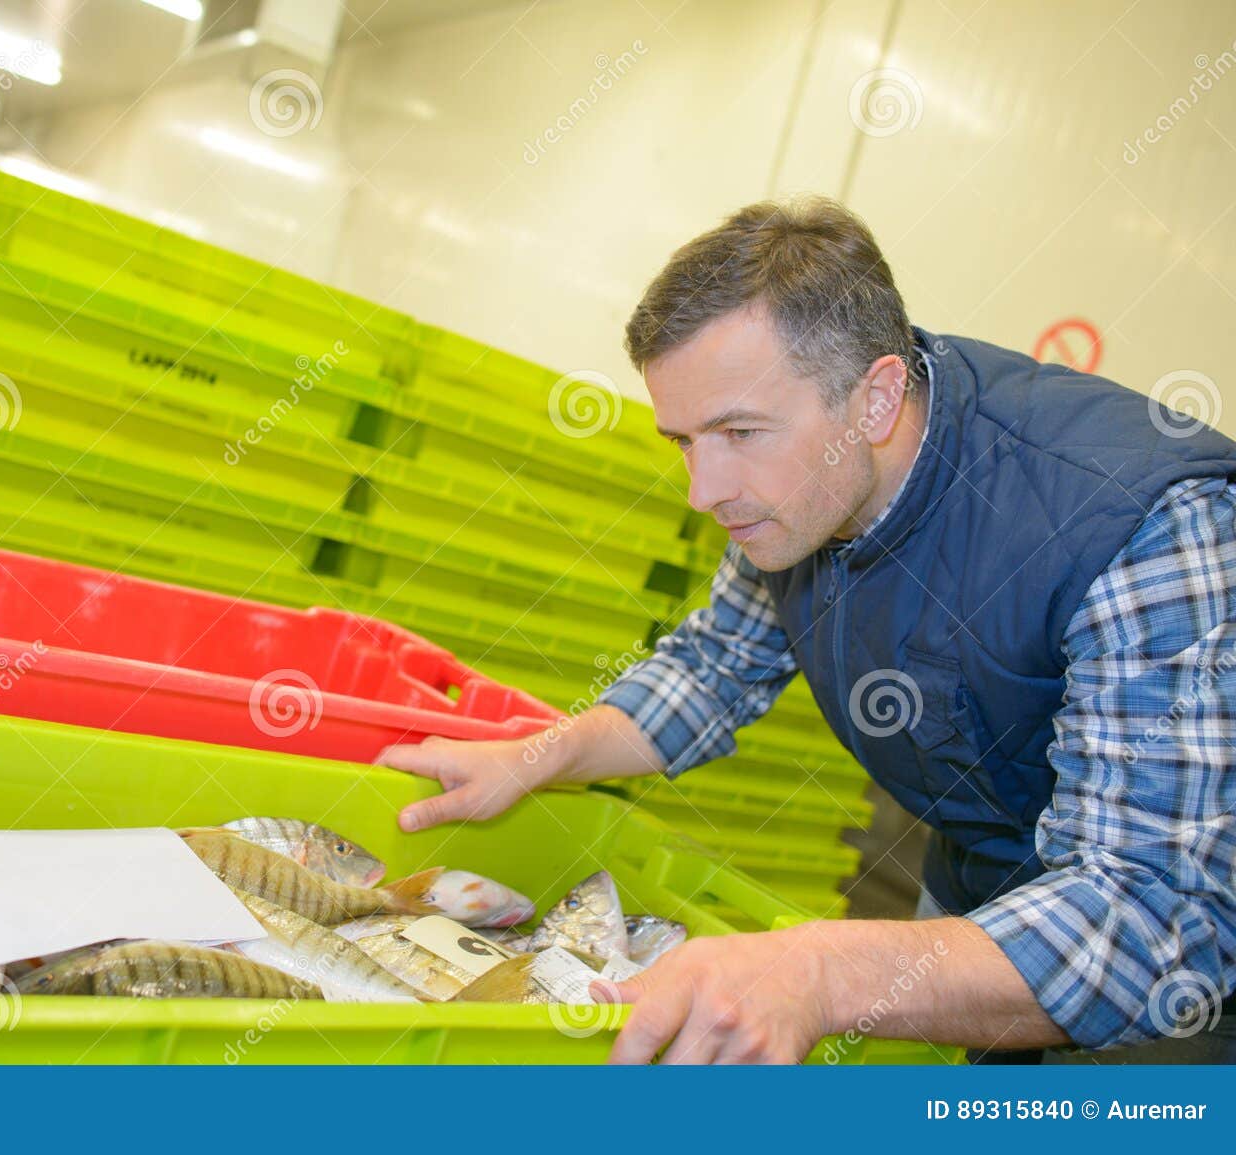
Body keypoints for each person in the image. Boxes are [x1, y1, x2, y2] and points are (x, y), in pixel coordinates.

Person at [377, 196, 1236, 1065]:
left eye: (739, 432)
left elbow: (1156, 914)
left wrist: (821, 970)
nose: (703, 491)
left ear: (876, 399)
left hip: (1168, 971)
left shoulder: (1144, 526)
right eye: (683, 440)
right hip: (979, 880)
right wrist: (538, 755)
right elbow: (717, 666)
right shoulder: (803, 487)